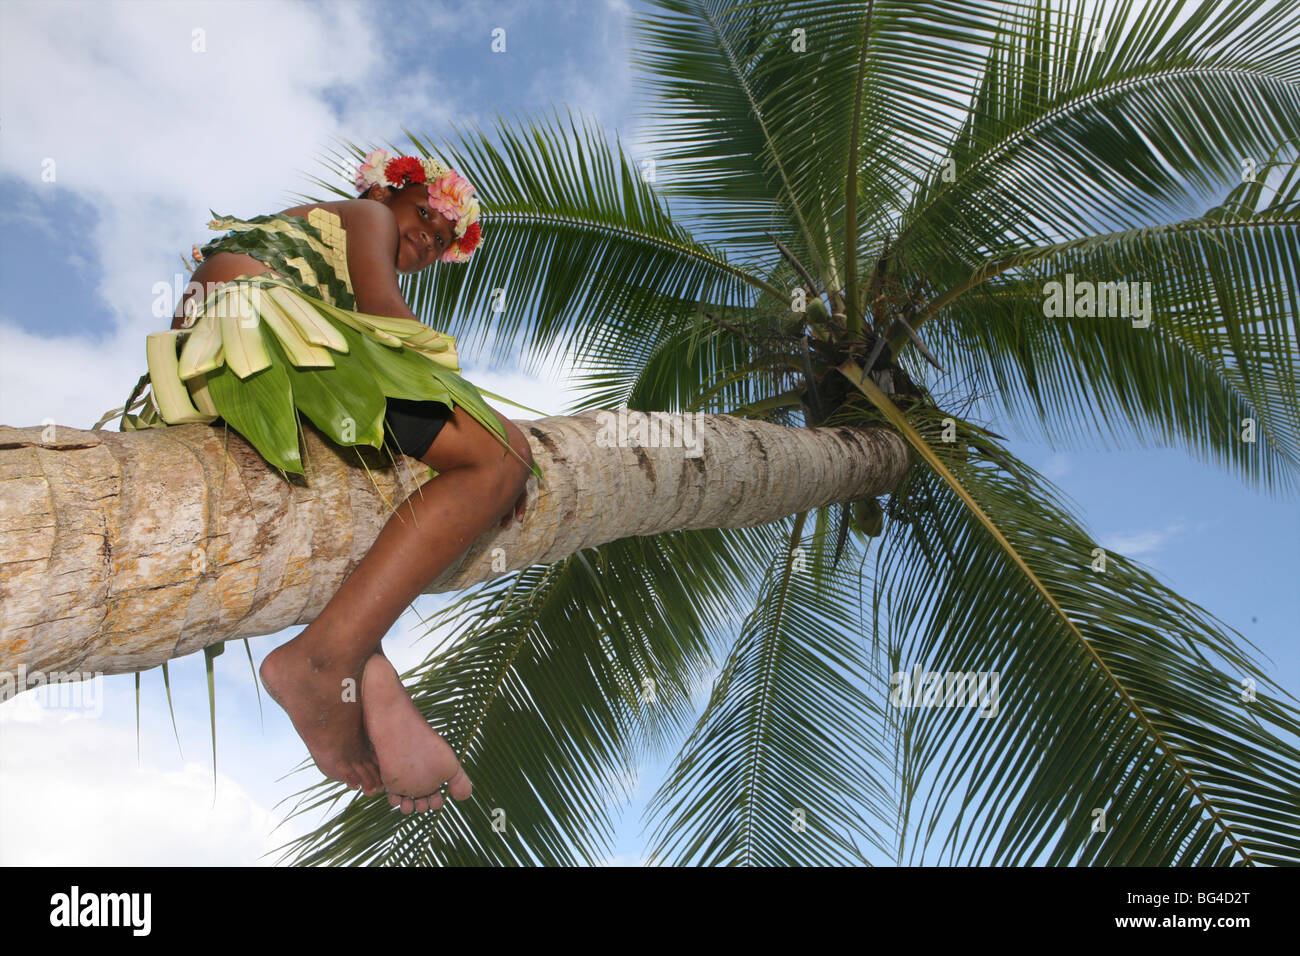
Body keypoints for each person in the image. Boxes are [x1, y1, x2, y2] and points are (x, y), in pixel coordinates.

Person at [118, 150, 540, 814]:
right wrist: (490, 426)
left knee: (368, 501)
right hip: (256, 323)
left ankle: (364, 668)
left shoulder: (350, 238)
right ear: (389, 192)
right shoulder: (366, 215)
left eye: (439, 243)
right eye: (425, 217)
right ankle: (324, 661)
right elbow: (383, 312)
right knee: (499, 455)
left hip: (236, 363)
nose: (427, 240)